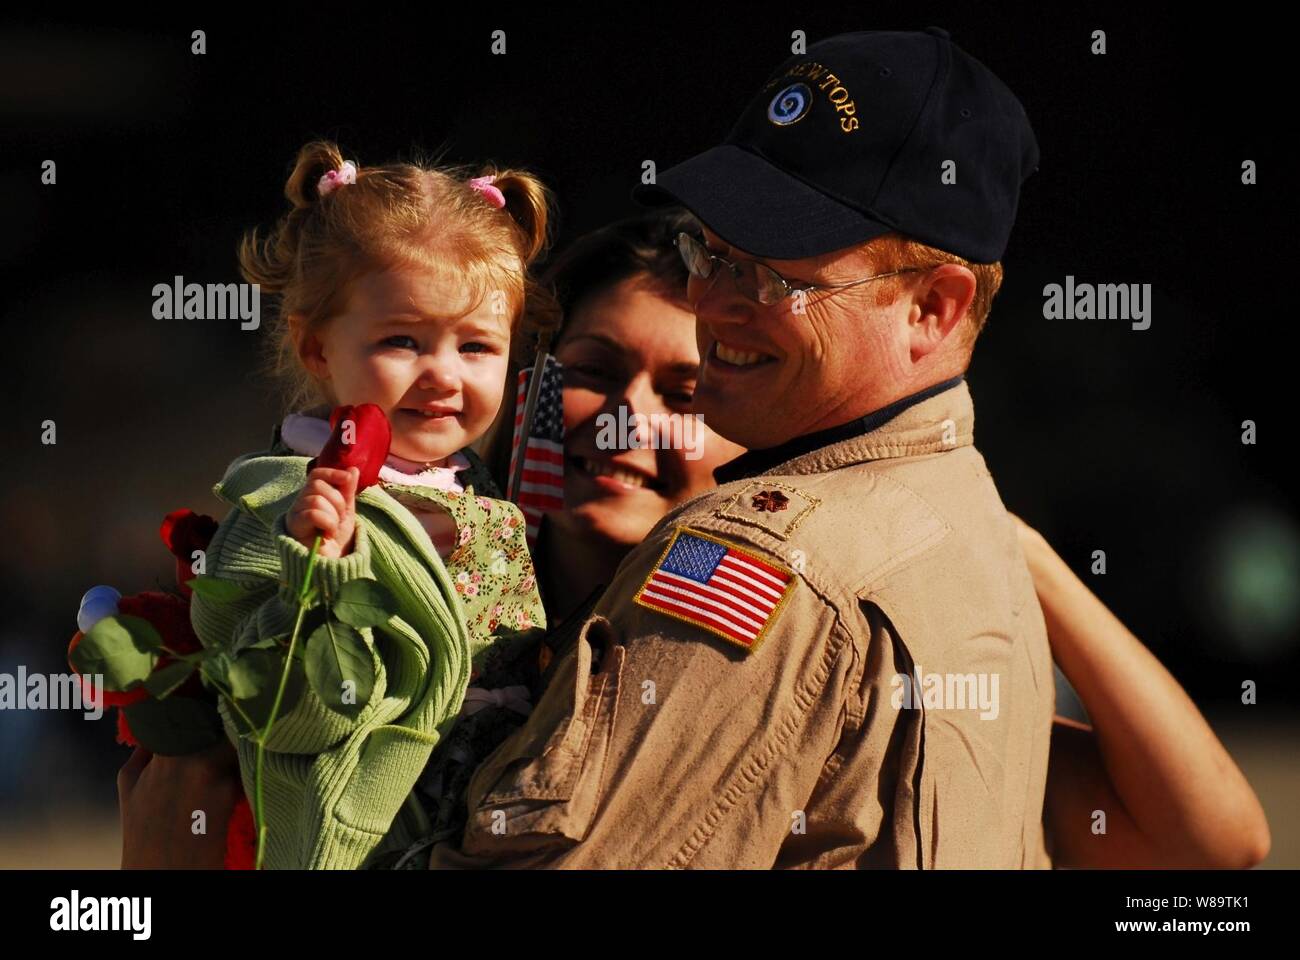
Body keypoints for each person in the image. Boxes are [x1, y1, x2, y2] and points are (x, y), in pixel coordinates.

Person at [425, 29, 1269, 869]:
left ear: (934, 308)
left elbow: (1213, 842)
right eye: (712, 253)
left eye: (774, 278)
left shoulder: (764, 562)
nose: (713, 302)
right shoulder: (943, 523)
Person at [123, 139, 553, 869]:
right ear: (318, 349)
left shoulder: (478, 485)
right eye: (403, 340)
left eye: (477, 346)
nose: (444, 374)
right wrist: (320, 567)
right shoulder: (283, 498)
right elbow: (263, 682)